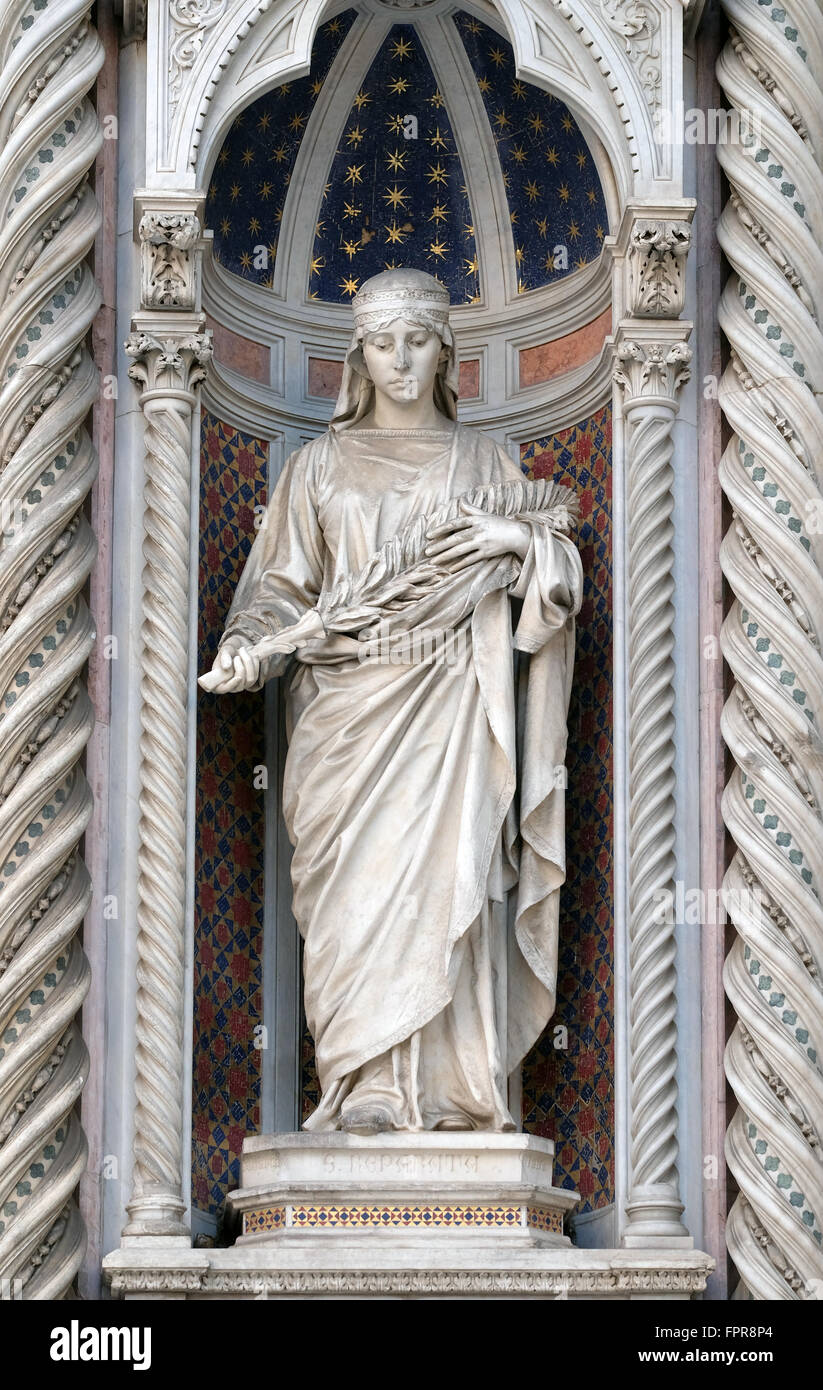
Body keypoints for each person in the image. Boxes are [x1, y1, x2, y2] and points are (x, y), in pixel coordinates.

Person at [201, 268, 583, 1134]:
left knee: (453, 884)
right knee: (356, 900)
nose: (401, 361)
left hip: (453, 702)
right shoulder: (317, 467)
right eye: (383, 343)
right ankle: (361, 1085)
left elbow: (557, 579)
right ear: (357, 355)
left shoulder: (486, 461)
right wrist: (244, 649)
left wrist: (513, 537)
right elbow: (281, 591)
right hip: (345, 713)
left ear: (446, 348)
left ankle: (452, 1093)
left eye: (417, 341)